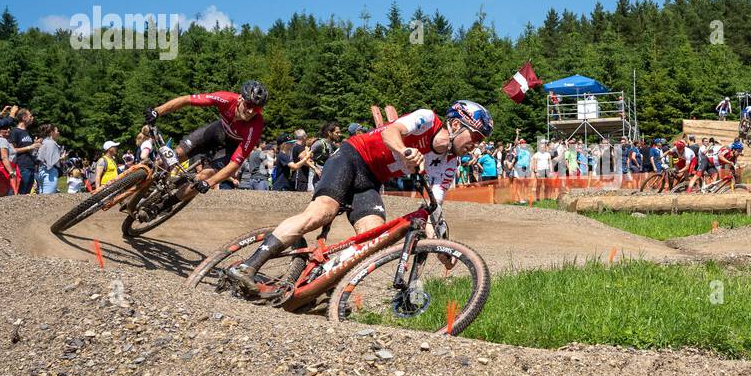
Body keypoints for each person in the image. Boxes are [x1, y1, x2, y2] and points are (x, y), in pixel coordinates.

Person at [225, 101, 492, 293]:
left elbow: (433, 206)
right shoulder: (427, 119)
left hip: (370, 181)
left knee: (373, 239)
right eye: (476, 136)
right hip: (352, 156)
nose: (476, 144)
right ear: (456, 124)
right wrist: (405, 151)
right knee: (321, 213)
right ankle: (248, 266)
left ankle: (325, 285)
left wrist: (440, 248)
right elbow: (390, 131)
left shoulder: (450, 164)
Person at [143, 81, 267, 204]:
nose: (251, 111)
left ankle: (164, 205)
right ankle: (143, 186)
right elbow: (188, 99)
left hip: (230, 147)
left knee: (204, 177)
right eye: (248, 105)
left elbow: (234, 164)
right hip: (216, 131)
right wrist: (157, 111)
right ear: (240, 98)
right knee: (171, 157)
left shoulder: (255, 125)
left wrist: (209, 183)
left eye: (256, 108)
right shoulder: (226, 98)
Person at [8, 109, 42, 194]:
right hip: (21, 166)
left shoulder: (28, 132)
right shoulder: (15, 132)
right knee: (20, 193)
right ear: (24, 117)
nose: (32, 118)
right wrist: (30, 146)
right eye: (30, 116)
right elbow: (13, 150)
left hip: (31, 166)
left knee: (27, 194)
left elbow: (29, 148)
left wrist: (36, 144)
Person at [35, 124, 64, 194]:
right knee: (48, 199)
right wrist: (62, 158)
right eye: (57, 131)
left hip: (40, 172)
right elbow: (51, 162)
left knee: (42, 199)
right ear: (52, 132)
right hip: (49, 173)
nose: (58, 133)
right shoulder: (52, 143)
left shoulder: (43, 142)